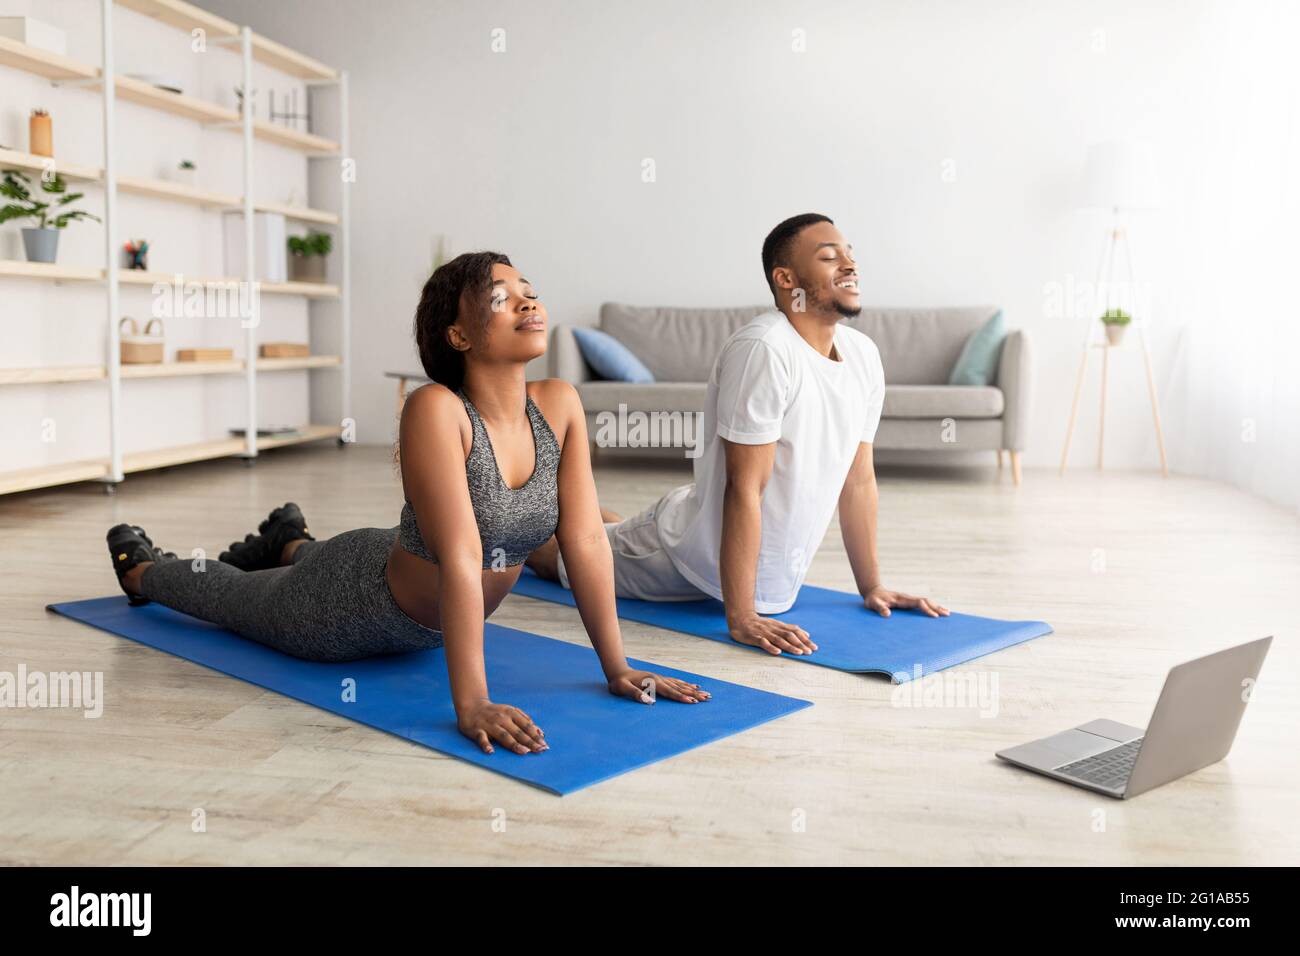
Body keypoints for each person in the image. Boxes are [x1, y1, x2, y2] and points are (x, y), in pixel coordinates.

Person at [105, 252, 709, 757]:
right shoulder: (435, 409)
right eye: (501, 297)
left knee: (316, 553)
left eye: (529, 291)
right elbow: (460, 554)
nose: (528, 302)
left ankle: (289, 540)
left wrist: (618, 667)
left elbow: (583, 541)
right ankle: (142, 567)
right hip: (346, 605)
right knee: (231, 598)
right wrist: (471, 701)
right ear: (459, 334)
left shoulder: (560, 402)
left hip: (400, 578)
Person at [528, 213, 948, 656]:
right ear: (786, 279)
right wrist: (741, 615)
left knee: (614, 529)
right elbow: (744, 487)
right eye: (829, 256)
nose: (849, 264)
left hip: (725, 542)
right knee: (550, 556)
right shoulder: (764, 349)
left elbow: (859, 479)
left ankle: (585, 513)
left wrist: (872, 585)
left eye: (850, 254)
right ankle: (519, 508)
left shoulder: (864, 355)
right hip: (687, 558)